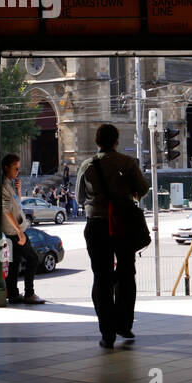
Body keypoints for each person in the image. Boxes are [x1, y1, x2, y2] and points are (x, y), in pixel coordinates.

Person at [76, 124, 149, 347]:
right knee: (127, 273)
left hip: (97, 225)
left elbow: (79, 198)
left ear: (97, 141)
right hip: (123, 224)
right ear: (116, 140)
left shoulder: (87, 165)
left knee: (101, 277)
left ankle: (107, 332)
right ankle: (125, 324)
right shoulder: (127, 163)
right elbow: (143, 188)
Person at [1, 154, 46, 305]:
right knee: (32, 258)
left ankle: (13, 294)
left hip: (16, 230)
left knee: (15, 263)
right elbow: (6, 210)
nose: (18, 171)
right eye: (16, 168)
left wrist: (19, 191)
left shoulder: (10, 184)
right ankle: (29, 293)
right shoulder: (4, 185)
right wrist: (19, 232)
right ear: (7, 167)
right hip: (15, 231)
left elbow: (16, 205)